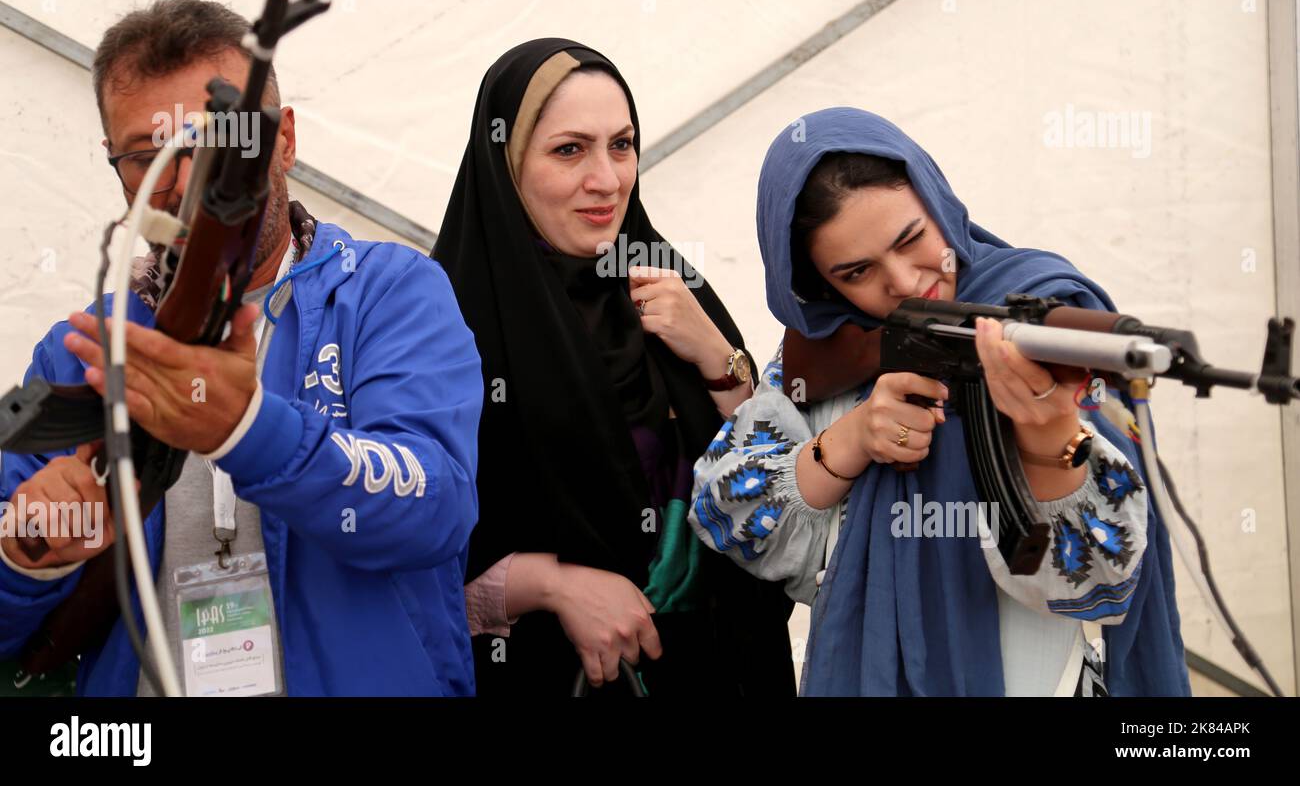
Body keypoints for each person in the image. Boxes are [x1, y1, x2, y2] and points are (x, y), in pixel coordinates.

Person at [0, 0, 483, 696]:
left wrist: (249, 431)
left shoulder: (391, 293)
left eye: (212, 144)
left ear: (283, 140)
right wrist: (26, 555)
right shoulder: (85, 347)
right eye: (146, 157)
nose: (182, 181)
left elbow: (434, 512)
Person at [690, 107, 1189, 696]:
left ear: (936, 198)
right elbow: (728, 516)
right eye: (856, 272)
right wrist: (850, 440)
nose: (903, 280)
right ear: (821, 285)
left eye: (911, 238)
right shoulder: (831, 349)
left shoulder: (1047, 318)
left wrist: (1051, 438)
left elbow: (1097, 582)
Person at [433, 38, 795, 695]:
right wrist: (554, 586)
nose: (607, 179)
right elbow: (407, 575)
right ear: (506, 163)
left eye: (621, 144)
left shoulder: (673, 287)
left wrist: (720, 361)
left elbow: (788, 500)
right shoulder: (442, 323)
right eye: (569, 149)